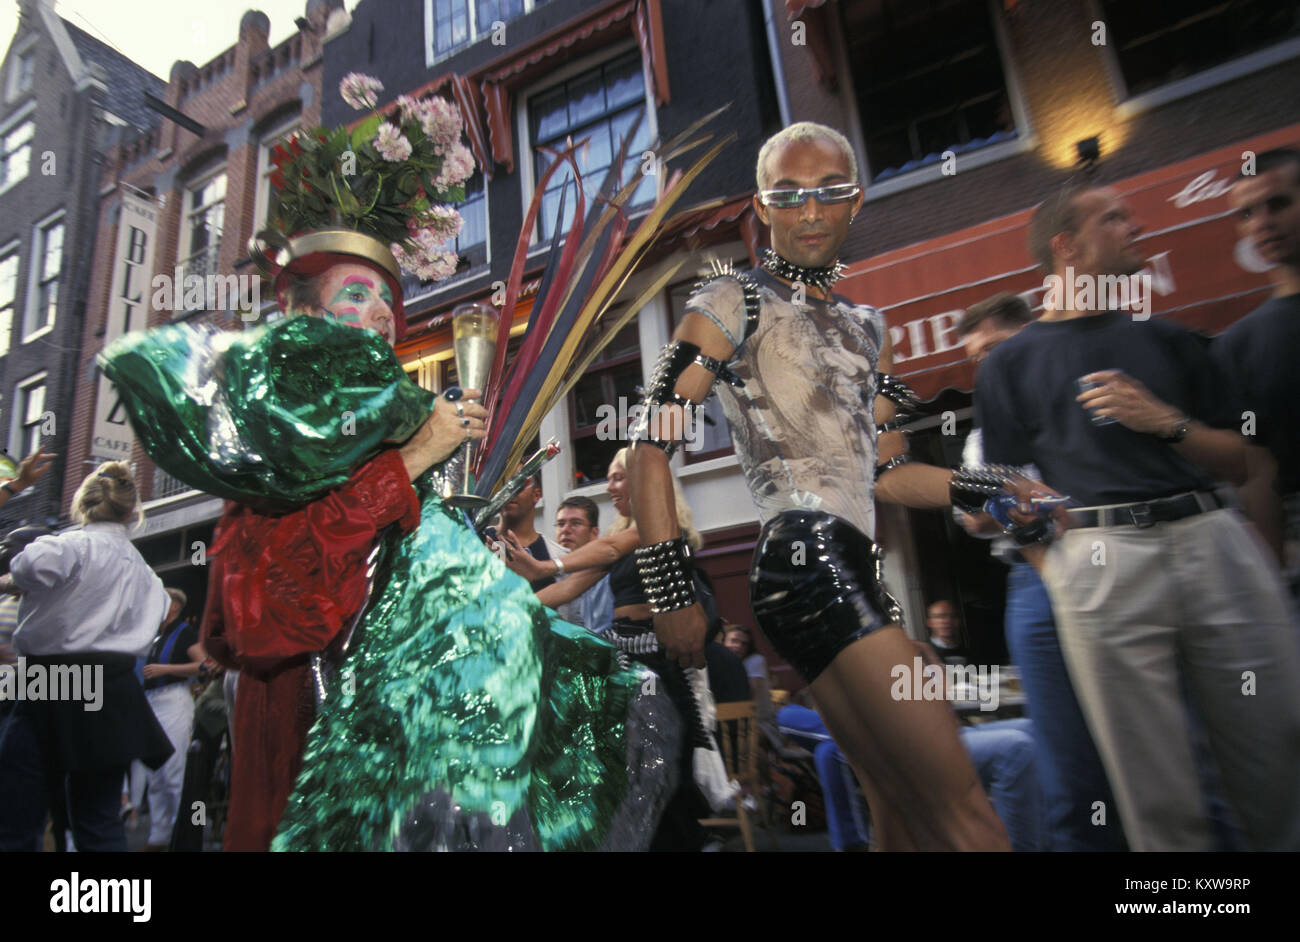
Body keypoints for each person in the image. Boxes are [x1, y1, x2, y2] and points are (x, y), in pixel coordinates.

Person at [102, 81, 678, 851]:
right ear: (303, 315)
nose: (381, 317)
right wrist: (413, 460)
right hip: (316, 729)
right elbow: (269, 620)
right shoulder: (279, 443)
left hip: (405, 738)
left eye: (389, 306)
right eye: (358, 297)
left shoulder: (378, 425)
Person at [625, 121, 1046, 850]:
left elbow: (887, 475)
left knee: (901, 809)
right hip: (803, 558)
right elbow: (647, 446)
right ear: (761, 207)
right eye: (789, 196)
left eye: (829, 194)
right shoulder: (730, 300)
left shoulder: (867, 327)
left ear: (856, 203)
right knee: (965, 809)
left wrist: (989, 485)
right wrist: (669, 589)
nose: (811, 212)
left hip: (850, 563)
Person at [975, 181, 1300, 850]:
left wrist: (1165, 422)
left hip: (1212, 536)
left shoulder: (1174, 340)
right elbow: (1005, 491)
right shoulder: (1007, 365)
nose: (1138, 226)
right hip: (1100, 562)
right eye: (1115, 217)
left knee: (1276, 761)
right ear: (1068, 246)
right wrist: (1057, 572)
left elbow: (1243, 460)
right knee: (1158, 801)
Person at [956, 291, 1125, 852]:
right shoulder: (982, 435)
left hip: (1109, 563)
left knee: (1139, 731)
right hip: (1033, 583)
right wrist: (987, 513)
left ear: (1031, 334)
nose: (988, 365)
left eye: (995, 348)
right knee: (1062, 747)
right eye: (977, 357)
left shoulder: (1088, 393)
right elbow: (969, 514)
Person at [501, 448, 723, 850]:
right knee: (629, 775)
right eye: (611, 477)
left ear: (648, 483)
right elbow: (570, 587)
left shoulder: (657, 527)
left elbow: (606, 550)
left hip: (659, 665)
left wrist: (547, 566)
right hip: (626, 666)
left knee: (665, 772)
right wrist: (508, 607)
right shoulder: (624, 531)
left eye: (620, 476)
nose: (611, 486)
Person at [0, 463, 173, 852]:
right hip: (112, 688)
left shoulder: (67, 545)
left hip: (51, 679)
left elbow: (26, 567)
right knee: (99, 820)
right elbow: (156, 613)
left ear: (83, 503)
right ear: (132, 512)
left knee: (18, 812)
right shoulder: (145, 573)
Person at [1217, 148, 1300, 599]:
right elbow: (1257, 470)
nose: (1262, 222)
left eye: (1278, 203)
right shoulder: (1239, 345)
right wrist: (1275, 576)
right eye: (1246, 213)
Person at [140, 588, 206, 851]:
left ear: (175, 606)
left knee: (173, 769)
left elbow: (204, 663)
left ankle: (182, 835)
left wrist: (166, 669)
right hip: (152, 701)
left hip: (174, 699)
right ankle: (159, 834)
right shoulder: (156, 636)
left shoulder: (185, 632)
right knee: (154, 771)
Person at [554, 495, 613, 634]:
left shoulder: (605, 576)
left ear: (594, 532)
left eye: (575, 523)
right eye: (561, 524)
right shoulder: (548, 571)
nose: (566, 530)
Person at [920, 601, 969, 666]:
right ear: (929, 622)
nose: (947, 621)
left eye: (953, 616)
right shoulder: (920, 654)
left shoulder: (973, 653)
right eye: (939, 616)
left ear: (959, 621)